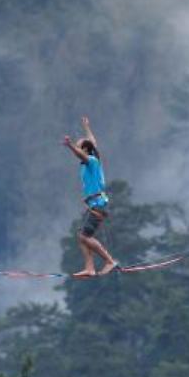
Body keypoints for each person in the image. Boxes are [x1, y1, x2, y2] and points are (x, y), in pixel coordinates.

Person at [63, 116, 118, 278]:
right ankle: (90, 268)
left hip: (98, 204)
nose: (79, 149)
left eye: (80, 146)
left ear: (85, 150)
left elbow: (82, 155)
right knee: (82, 236)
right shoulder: (92, 159)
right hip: (95, 204)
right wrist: (87, 127)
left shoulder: (91, 160)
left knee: (84, 236)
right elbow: (92, 142)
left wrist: (70, 146)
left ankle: (109, 261)